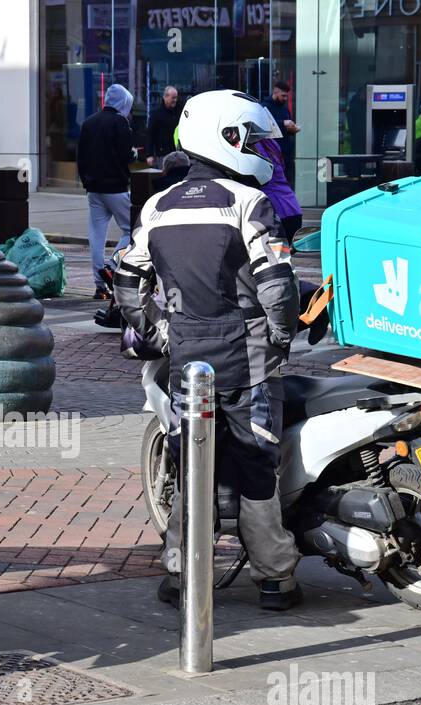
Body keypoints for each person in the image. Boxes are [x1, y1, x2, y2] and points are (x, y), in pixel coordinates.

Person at [113, 90, 303, 612]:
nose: (261, 154)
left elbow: (127, 284)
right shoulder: (249, 204)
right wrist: (284, 337)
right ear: (229, 138)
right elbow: (276, 287)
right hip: (251, 363)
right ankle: (275, 580)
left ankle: (180, 572)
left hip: (186, 367)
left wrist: (159, 334)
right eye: (252, 141)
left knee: (190, 467)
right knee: (257, 467)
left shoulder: (156, 206)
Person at [78, 83, 135, 299]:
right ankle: (112, 265)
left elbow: (80, 156)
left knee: (96, 234)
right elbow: (125, 155)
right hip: (116, 187)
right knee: (132, 228)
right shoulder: (119, 122)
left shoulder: (89, 122)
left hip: (93, 188)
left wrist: (86, 181)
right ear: (123, 103)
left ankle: (99, 285)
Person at [257, 135, 302, 243]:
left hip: (278, 211)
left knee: (275, 254)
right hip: (292, 207)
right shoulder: (272, 143)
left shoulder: (254, 146)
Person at [262, 81, 299, 181]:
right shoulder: (265, 107)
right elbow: (265, 125)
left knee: (289, 180)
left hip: (286, 152)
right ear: (275, 91)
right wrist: (283, 123)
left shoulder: (284, 109)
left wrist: (292, 129)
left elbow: (285, 129)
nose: (285, 99)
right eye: (283, 96)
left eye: (287, 96)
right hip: (273, 153)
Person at [145, 86, 181, 166]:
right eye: (173, 98)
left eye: (176, 98)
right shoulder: (156, 113)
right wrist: (149, 154)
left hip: (177, 153)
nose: (175, 100)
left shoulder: (179, 112)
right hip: (162, 154)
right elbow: (150, 134)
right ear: (165, 97)